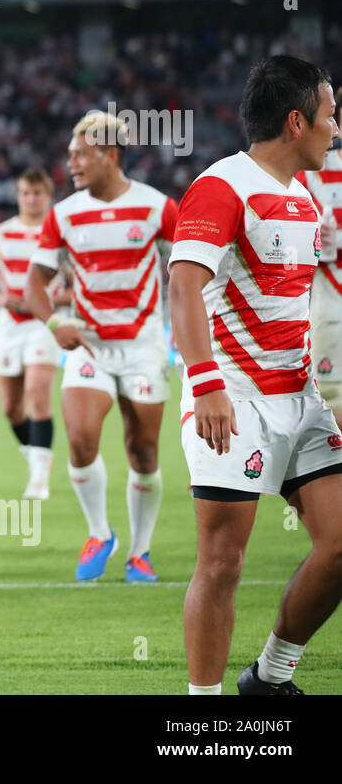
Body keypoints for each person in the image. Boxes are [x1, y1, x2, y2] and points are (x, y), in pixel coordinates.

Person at [170, 55, 342, 694]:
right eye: (329, 116)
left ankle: (269, 677)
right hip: (234, 403)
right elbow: (183, 287)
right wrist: (206, 382)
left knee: (340, 546)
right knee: (221, 563)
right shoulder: (223, 186)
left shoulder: (302, 198)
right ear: (297, 121)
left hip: (300, 399)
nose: (336, 129)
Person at [24, 110, 177, 583]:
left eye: (80, 155)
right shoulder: (64, 215)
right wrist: (53, 322)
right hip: (90, 346)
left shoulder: (158, 207)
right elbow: (35, 281)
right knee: (81, 437)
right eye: (70, 155)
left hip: (143, 347)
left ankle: (140, 552)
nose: (70, 164)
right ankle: (99, 533)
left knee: (143, 451)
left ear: (110, 155)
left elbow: (189, 272)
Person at [0, 167, 67, 499]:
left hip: (46, 323)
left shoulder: (59, 234)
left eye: (37, 193)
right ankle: (37, 459)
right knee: (11, 408)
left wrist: (45, 300)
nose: (31, 199)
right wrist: (3, 298)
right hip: (9, 325)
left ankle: (39, 480)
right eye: (25, 193)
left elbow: (80, 285)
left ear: (48, 196)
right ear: (18, 196)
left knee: (37, 393)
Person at [295, 86, 342, 428]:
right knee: (332, 398)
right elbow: (281, 248)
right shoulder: (311, 175)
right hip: (330, 301)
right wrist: (312, 241)